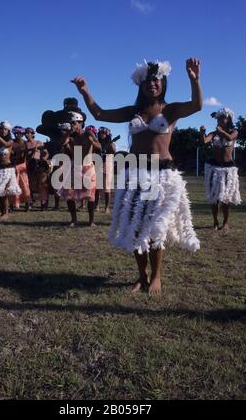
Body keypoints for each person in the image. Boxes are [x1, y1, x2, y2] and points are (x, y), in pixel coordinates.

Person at [71, 58, 201, 294]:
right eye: (147, 81)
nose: (152, 83)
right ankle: (141, 276)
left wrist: (195, 80)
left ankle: (156, 277)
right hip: (135, 174)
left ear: (162, 84)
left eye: (156, 80)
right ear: (140, 85)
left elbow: (197, 105)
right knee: (137, 228)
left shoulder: (170, 110)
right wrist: (85, 92)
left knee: (155, 230)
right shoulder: (133, 111)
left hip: (162, 176)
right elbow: (99, 114)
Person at [200, 108, 241, 232]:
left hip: (228, 168)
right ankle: (215, 222)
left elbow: (229, 138)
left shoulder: (234, 132)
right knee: (214, 197)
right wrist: (202, 132)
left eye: (221, 118)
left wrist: (221, 131)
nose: (218, 120)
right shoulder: (214, 133)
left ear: (228, 119)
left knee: (225, 198)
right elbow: (204, 141)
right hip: (214, 167)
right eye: (217, 118)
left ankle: (226, 223)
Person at [57, 111, 101, 227]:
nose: (72, 125)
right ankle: (74, 219)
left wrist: (92, 142)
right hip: (75, 167)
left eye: (74, 123)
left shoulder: (88, 133)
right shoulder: (70, 137)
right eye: (71, 123)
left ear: (81, 123)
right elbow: (61, 143)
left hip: (88, 167)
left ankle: (91, 221)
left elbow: (99, 146)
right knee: (70, 194)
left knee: (90, 195)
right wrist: (68, 134)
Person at [0, 121, 21, 220]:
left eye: (5, 129)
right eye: (1, 129)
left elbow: (5, 144)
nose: (3, 131)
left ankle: (6, 212)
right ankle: (2, 211)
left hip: (6, 170)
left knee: (3, 192)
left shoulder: (10, 141)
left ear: (8, 130)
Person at [94, 126, 116, 214]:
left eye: (104, 133)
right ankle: (97, 205)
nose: (101, 135)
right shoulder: (97, 142)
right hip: (98, 164)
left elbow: (114, 150)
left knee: (107, 188)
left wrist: (110, 142)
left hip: (107, 165)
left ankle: (106, 207)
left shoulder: (110, 143)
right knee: (97, 187)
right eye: (100, 133)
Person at [11, 126, 32, 211]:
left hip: (22, 166)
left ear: (22, 134)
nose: (17, 135)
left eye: (19, 133)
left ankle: (27, 204)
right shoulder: (12, 143)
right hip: (13, 166)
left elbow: (27, 155)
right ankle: (12, 205)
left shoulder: (25, 143)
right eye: (16, 133)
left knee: (24, 186)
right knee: (12, 185)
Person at [24, 127, 45, 205]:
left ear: (32, 134)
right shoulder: (24, 144)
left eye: (28, 133)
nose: (26, 134)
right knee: (29, 183)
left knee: (40, 183)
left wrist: (44, 159)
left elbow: (45, 151)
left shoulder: (38, 142)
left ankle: (43, 201)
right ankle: (31, 199)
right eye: (25, 133)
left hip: (38, 164)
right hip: (29, 164)